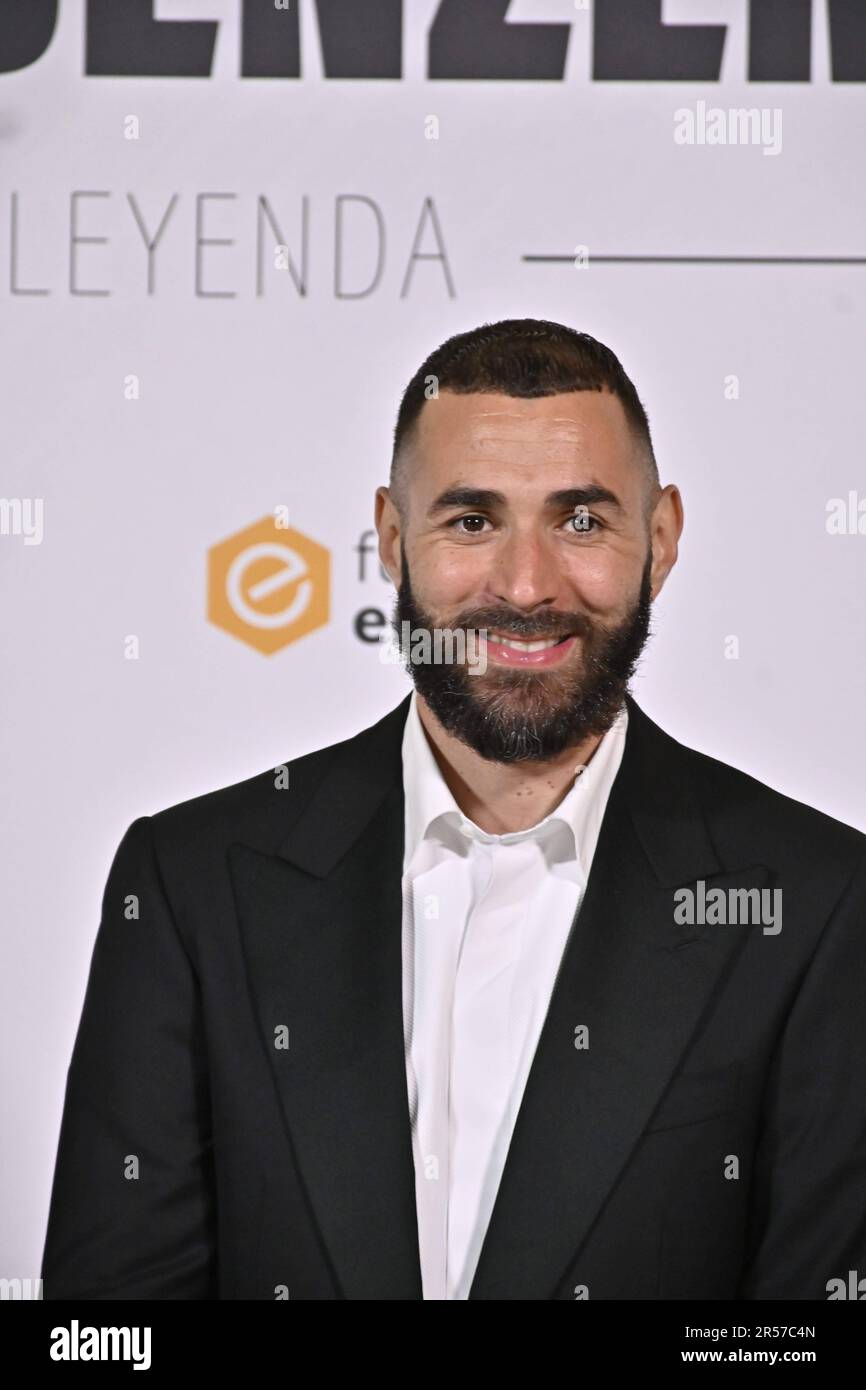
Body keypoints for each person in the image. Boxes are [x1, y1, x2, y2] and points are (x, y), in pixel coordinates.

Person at [42, 319, 866, 1300]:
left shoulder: (817, 906)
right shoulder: (189, 884)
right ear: (391, 540)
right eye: (471, 521)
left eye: (580, 520)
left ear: (660, 538)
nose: (524, 586)